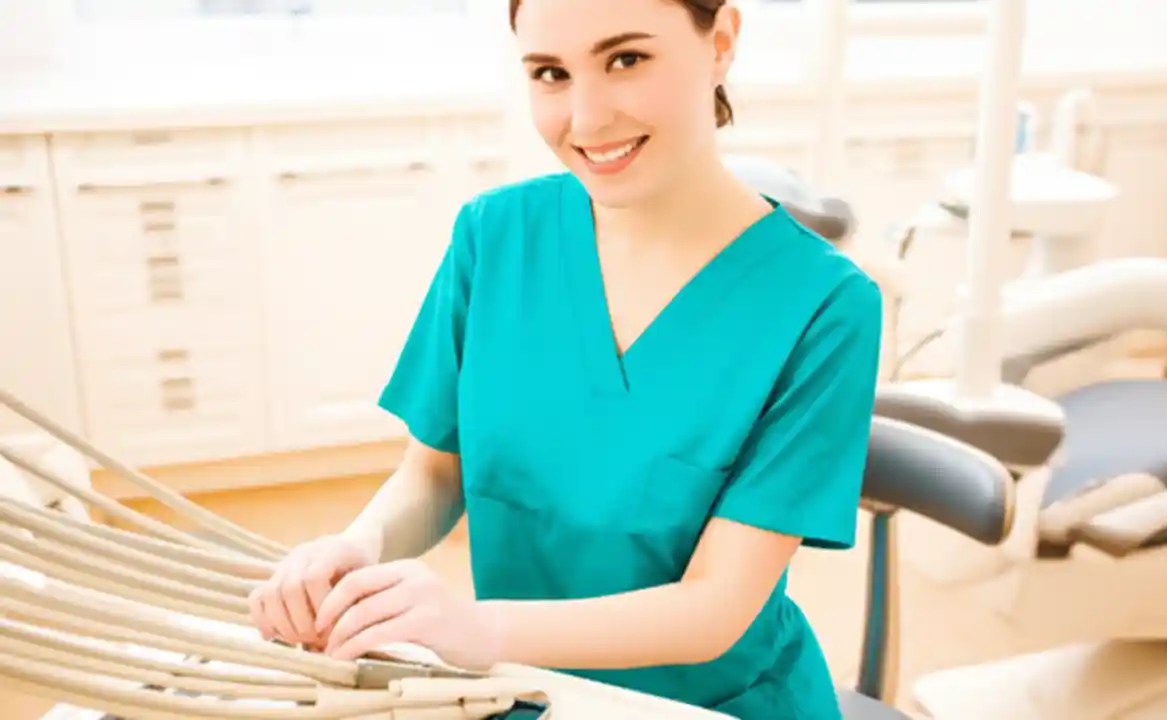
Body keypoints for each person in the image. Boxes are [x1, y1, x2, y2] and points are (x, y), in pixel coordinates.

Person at [248, 0, 882, 717]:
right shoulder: (495, 237)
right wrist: (358, 549)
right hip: (521, 690)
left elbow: (716, 609)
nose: (585, 121)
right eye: (551, 73)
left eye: (626, 60)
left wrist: (477, 628)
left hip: (709, 705)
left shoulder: (824, 305)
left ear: (722, 41)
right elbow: (434, 470)